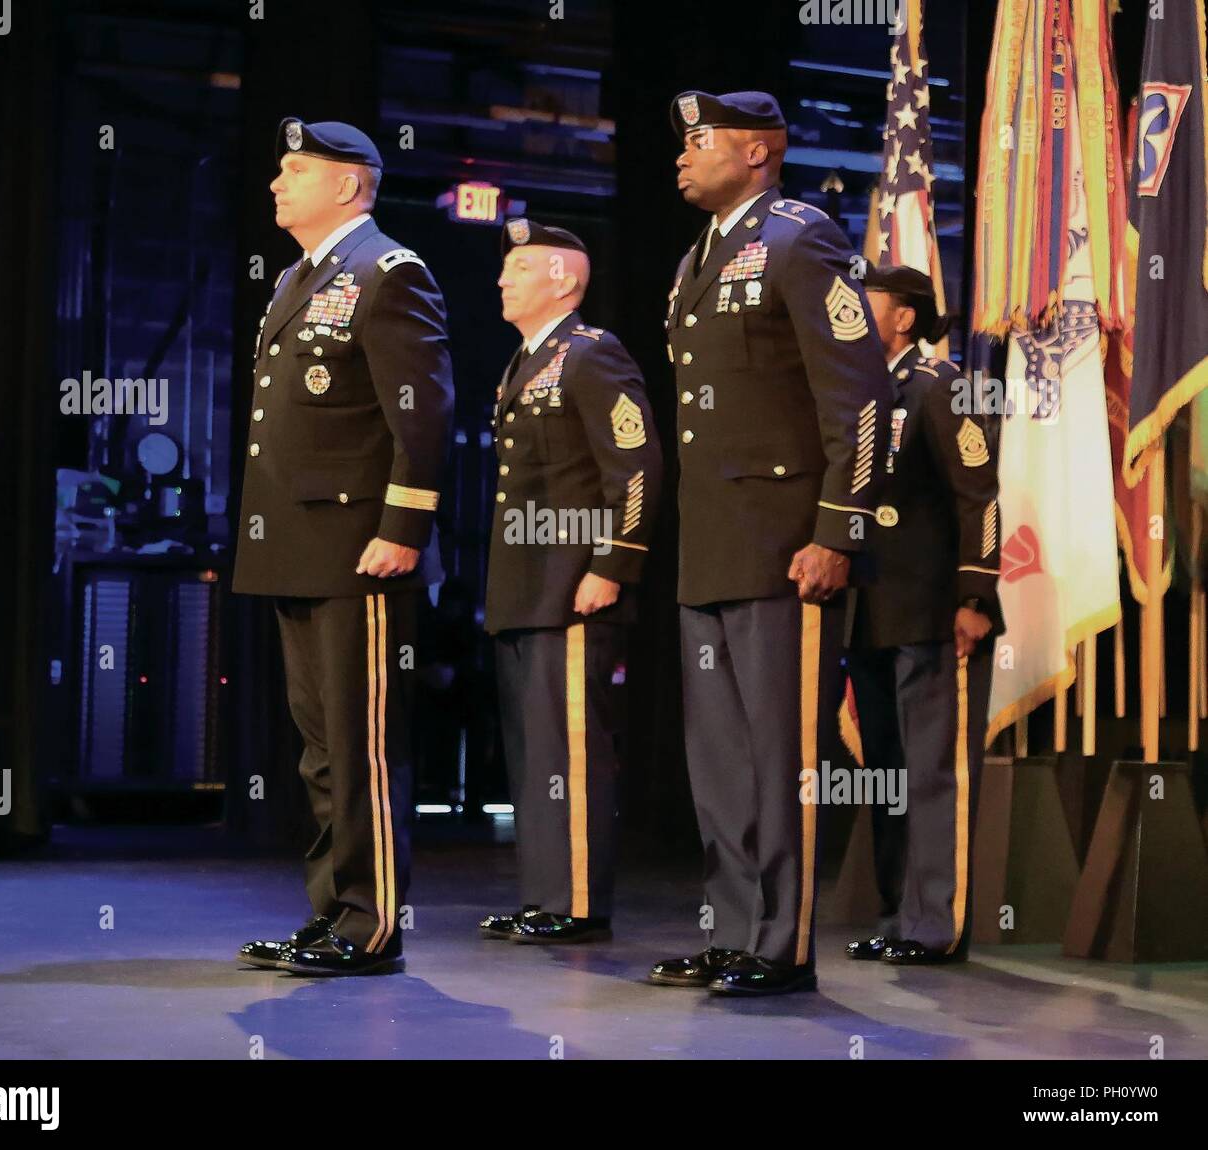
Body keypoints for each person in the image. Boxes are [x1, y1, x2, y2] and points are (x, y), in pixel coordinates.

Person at [649, 90, 891, 996]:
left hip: (786, 544)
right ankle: (733, 927)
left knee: (780, 756)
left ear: (756, 153)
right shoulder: (693, 259)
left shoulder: (801, 237)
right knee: (719, 760)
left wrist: (838, 528)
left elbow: (861, 398)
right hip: (711, 543)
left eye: (699, 140)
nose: (681, 154)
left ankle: (782, 943)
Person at [233, 117, 454, 976]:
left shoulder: (387, 272)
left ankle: (371, 925)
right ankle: (332, 913)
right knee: (322, 748)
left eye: (295, 169)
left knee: (361, 748)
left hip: (360, 547)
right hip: (298, 543)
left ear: (349, 185)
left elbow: (422, 412)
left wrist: (403, 528)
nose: (277, 182)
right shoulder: (300, 276)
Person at [479, 219, 662, 944]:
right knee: (534, 754)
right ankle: (545, 894)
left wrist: (613, 565)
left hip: (573, 587)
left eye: (520, 267)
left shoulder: (591, 355)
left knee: (573, 753)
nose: (502, 278)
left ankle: (579, 903)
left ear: (563, 278)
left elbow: (637, 466)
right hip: (526, 588)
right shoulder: (526, 361)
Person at [844, 262, 1001, 965]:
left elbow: (981, 497)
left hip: (932, 611)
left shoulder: (939, 387)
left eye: (865, 301)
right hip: (871, 612)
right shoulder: (861, 393)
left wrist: (975, 597)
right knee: (888, 770)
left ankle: (935, 925)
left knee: (933, 771)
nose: (848, 311)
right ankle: (899, 915)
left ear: (904, 316)